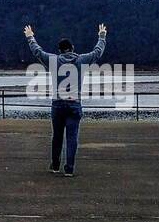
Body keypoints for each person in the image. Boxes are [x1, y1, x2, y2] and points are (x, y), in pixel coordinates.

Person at [24, 22, 107, 175]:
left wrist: (30, 37)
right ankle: (69, 168)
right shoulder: (81, 60)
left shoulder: (54, 60)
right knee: (72, 137)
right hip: (74, 103)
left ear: (60, 50)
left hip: (58, 104)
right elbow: (97, 51)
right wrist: (102, 35)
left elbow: (38, 51)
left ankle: (55, 166)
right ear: (72, 48)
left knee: (57, 136)